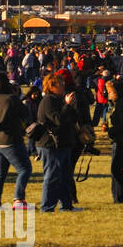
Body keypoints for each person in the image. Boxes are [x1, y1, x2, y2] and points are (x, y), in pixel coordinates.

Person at [0, 72, 33, 209]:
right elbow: (25, 114)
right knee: (24, 169)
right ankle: (18, 198)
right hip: (10, 139)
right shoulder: (11, 99)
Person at [36, 72, 81, 212]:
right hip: (51, 144)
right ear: (52, 86)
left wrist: (71, 106)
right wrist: (67, 106)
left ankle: (66, 205)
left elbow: (72, 119)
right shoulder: (48, 101)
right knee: (52, 176)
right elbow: (58, 120)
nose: (63, 86)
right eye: (60, 84)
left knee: (65, 176)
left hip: (63, 143)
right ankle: (47, 207)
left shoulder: (60, 99)